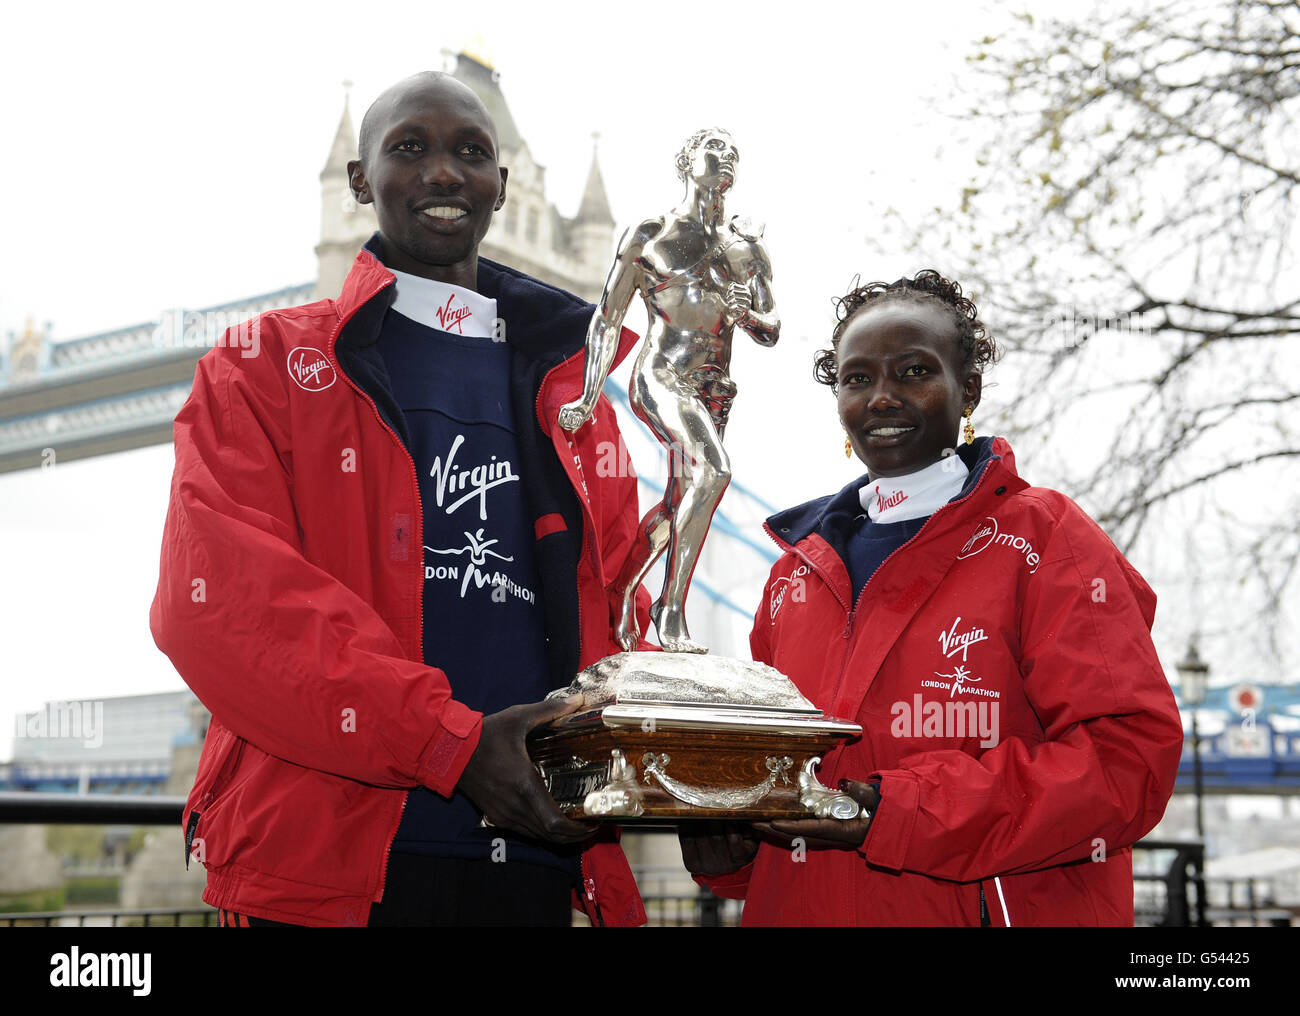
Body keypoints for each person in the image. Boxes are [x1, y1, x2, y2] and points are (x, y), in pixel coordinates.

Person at [150, 71, 650, 926]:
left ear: (501, 187)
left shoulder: (581, 404)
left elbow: (621, 617)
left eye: (472, 154)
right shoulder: (259, 365)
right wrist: (449, 744)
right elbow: (219, 608)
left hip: (536, 857)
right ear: (356, 183)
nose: (446, 174)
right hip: (324, 863)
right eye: (409, 149)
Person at [680, 269, 1184, 925]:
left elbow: (1127, 763)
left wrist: (901, 813)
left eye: (913, 371)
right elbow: (786, 798)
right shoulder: (793, 576)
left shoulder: (1045, 540)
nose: (882, 397)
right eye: (857, 378)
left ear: (966, 387)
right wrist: (731, 849)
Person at [558, 128, 779, 654]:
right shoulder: (650, 234)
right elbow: (606, 320)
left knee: (681, 501)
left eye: (732, 154)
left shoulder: (745, 250)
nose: (725, 159)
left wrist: (746, 309)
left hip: (715, 389)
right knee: (714, 471)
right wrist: (589, 396)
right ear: (687, 163)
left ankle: (625, 591)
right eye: (714, 151)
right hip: (661, 375)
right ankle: (671, 609)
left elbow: (771, 329)